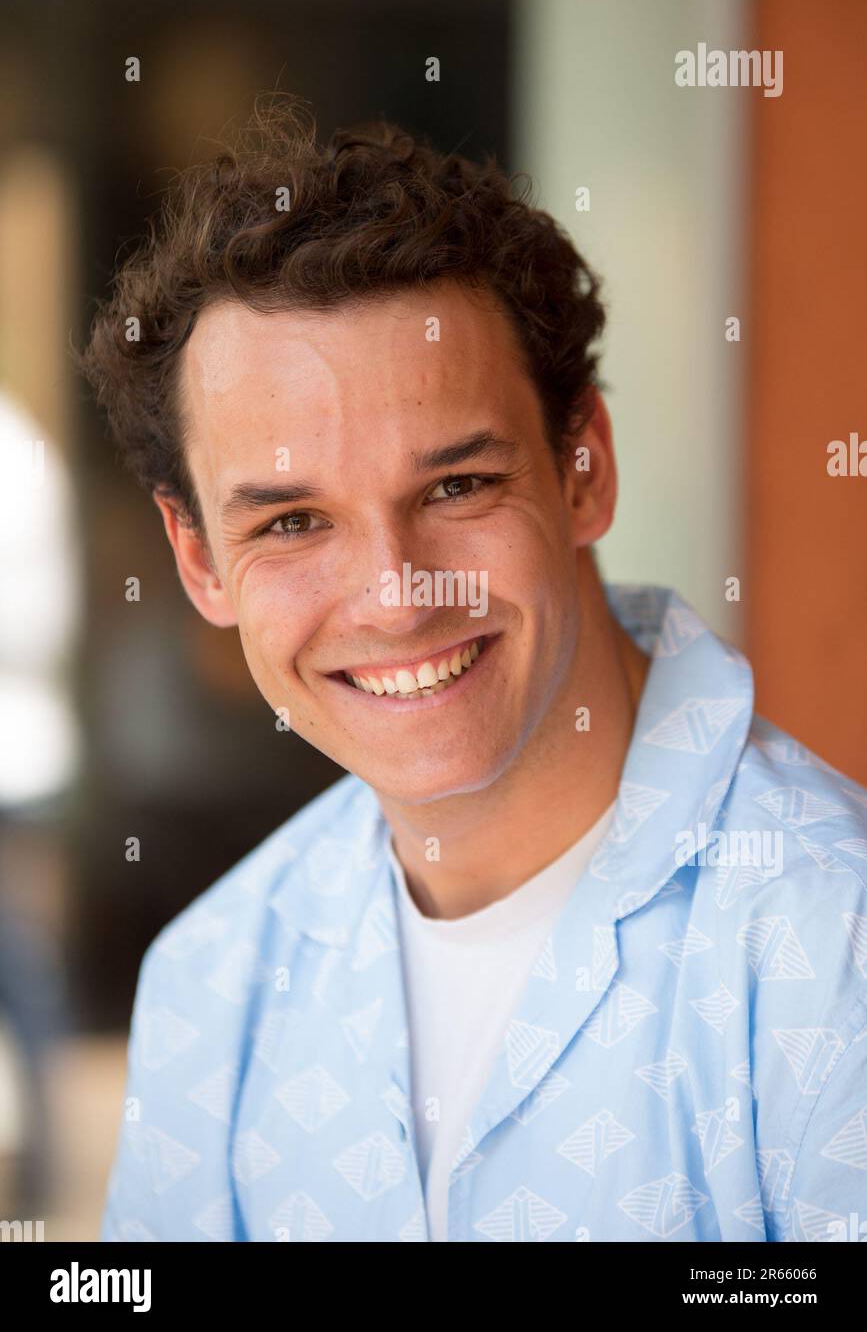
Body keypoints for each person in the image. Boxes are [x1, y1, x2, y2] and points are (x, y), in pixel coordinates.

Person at [79, 95, 867, 1243]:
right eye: (294, 522)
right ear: (198, 560)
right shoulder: (211, 986)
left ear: (583, 468)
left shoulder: (832, 940)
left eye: (456, 486)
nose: (398, 596)